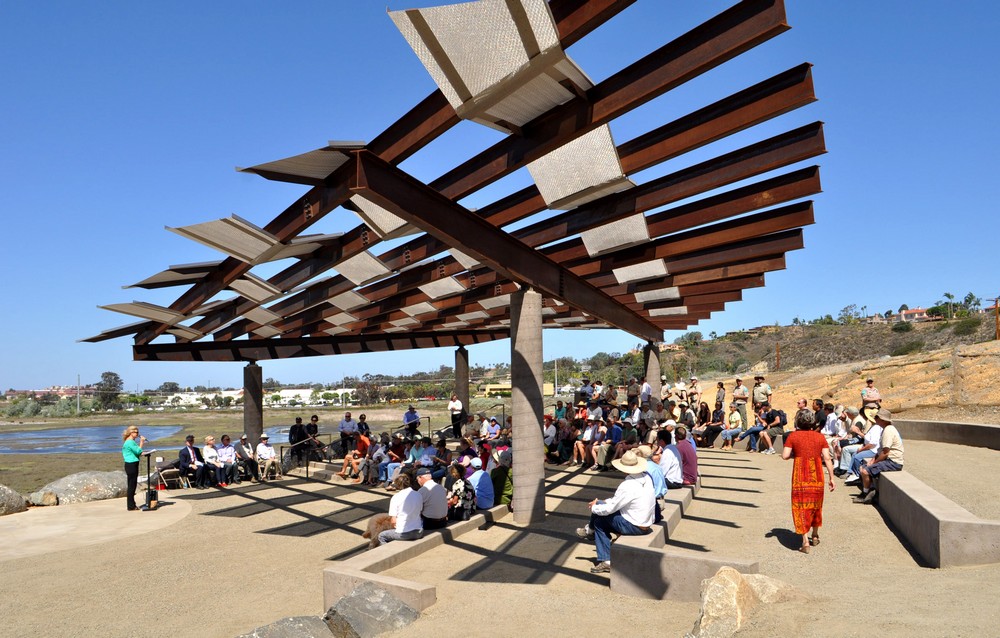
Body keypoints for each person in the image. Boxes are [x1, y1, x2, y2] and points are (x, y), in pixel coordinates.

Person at [575, 450, 655, 574]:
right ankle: (589, 531)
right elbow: (617, 502)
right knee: (600, 507)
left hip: (634, 525)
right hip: (644, 522)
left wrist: (594, 507)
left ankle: (605, 558)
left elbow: (610, 509)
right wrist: (601, 502)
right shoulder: (647, 477)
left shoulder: (627, 485)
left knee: (599, 522)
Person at [782, 409, 835, 553]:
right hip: (816, 473)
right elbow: (827, 458)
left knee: (800, 506)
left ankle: (805, 541)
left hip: (800, 474)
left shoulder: (793, 436)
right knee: (816, 504)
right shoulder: (820, 437)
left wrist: (798, 455)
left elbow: (785, 455)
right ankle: (815, 535)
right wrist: (831, 477)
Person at [855, 408, 904, 504]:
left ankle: (865, 493)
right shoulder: (886, 429)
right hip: (889, 460)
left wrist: (874, 462)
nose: (875, 419)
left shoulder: (888, 431)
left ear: (882, 419)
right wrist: (873, 460)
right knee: (862, 468)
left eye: (877, 417)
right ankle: (871, 489)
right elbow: (881, 450)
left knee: (865, 471)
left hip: (893, 462)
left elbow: (885, 452)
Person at [378, 474, 424, 545]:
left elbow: (393, 521)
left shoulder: (396, 497)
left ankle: (388, 553)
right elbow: (420, 511)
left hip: (404, 533)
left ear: (397, 485)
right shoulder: (418, 495)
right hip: (419, 531)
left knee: (381, 536)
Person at [121, 425, 146, 510]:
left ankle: (131, 504)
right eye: (136, 432)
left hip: (131, 464)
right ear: (131, 433)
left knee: (132, 485)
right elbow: (138, 450)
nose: (137, 434)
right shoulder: (130, 442)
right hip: (131, 464)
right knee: (132, 485)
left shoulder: (129, 441)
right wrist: (142, 442)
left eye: (138, 432)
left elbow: (136, 452)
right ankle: (131, 506)